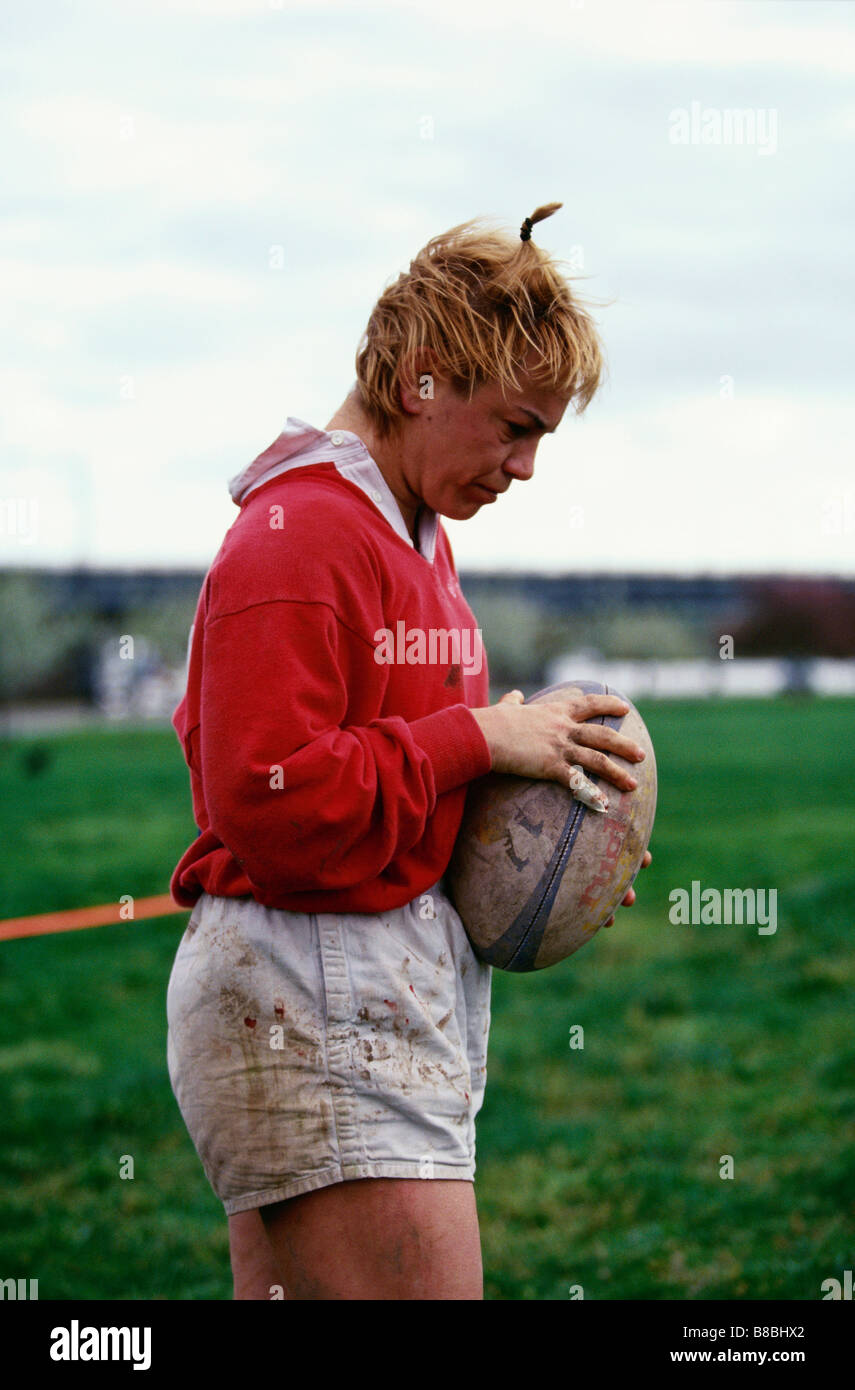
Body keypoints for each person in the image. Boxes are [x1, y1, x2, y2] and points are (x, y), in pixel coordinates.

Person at [165, 201, 651, 1301]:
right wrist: (482, 731)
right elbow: (269, 798)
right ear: (425, 379)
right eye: (514, 427)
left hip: (350, 995)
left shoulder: (411, 533)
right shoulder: (303, 535)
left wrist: (554, 842)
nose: (524, 467)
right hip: (308, 999)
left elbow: (407, 776)